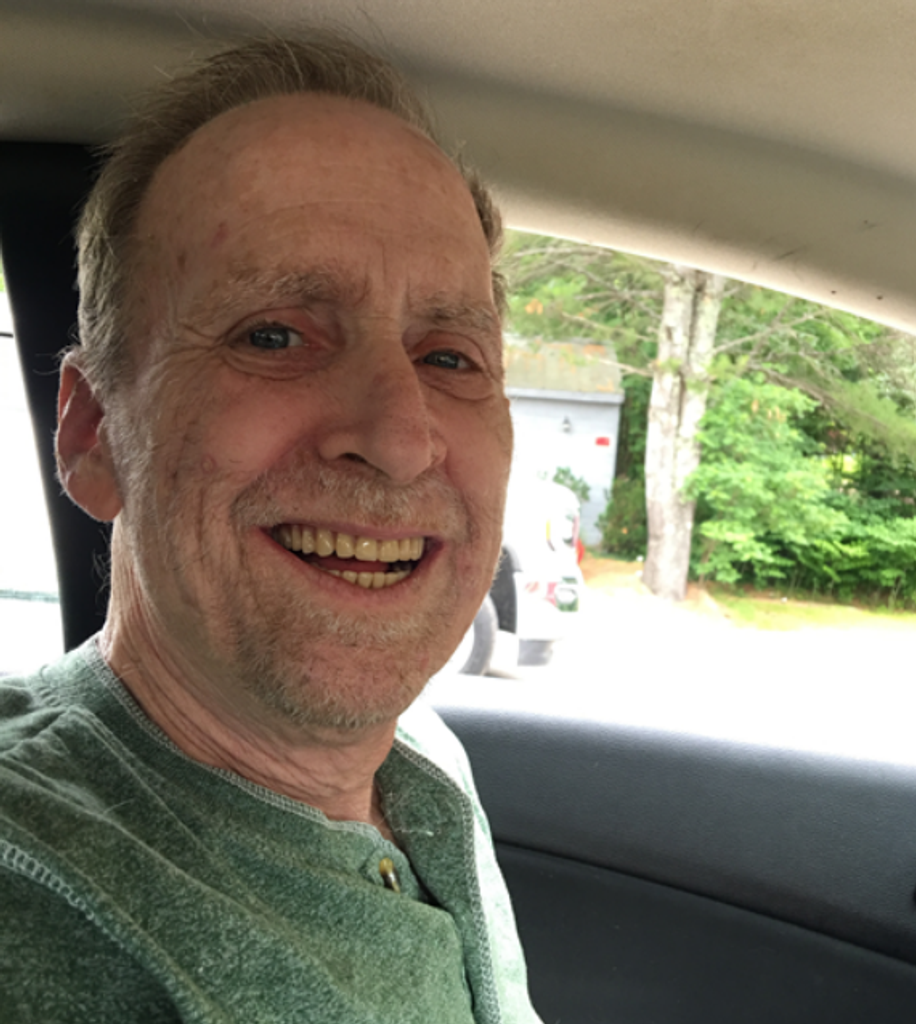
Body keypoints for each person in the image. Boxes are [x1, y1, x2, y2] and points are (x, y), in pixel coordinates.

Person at [0, 34, 541, 1023]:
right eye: (274, 334)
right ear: (92, 434)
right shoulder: (35, 889)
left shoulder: (424, 765)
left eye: (449, 357)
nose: (399, 438)